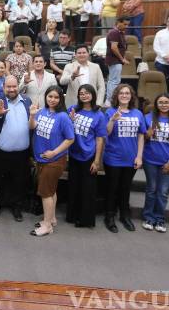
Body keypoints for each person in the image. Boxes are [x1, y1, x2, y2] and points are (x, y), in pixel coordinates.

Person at [29, 85, 75, 237]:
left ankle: (47, 225)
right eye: (50, 96)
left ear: (61, 99)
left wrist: (54, 152)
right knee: (51, 190)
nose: (53, 100)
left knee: (45, 193)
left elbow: (70, 139)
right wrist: (32, 115)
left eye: (56, 97)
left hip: (54, 160)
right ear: (46, 97)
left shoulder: (63, 116)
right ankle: (52, 218)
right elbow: (32, 127)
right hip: (41, 159)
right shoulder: (41, 112)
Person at [102, 84, 145, 233]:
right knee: (112, 188)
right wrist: (113, 120)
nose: (125, 95)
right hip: (113, 157)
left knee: (125, 188)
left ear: (131, 96)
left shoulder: (138, 113)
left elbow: (141, 136)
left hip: (131, 157)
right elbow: (106, 133)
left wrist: (139, 156)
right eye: (121, 93)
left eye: (127, 93)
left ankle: (125, 216)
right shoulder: (110, 111)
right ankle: (109, 216)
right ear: (117, 96)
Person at [0, 75, 31, 221]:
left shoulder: (27, 100)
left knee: (19, 181)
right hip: (1, 152)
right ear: (3, 87)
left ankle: (16, 207)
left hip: (22, 152)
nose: (12, 89)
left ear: (17, 86)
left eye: (14, 87)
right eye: (9, 87)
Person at [66, 84, 106, 228]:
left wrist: (96, 161)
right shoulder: (73, 110)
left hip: (88, 156)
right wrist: (70, 120)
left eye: (87, 93)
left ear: (93, 95)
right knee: (73, 186)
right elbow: (66, 130)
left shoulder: (99, 115)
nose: (84, 95)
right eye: (81, 93)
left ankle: (85, 220)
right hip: (73, 154)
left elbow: (100, 138)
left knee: (87, 190)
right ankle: (72, 215)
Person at [141, 94, 169, 233]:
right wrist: (147, 134)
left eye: (167, 102)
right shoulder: (147, 118)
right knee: (151, 189)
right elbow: (141, 139)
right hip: (150, 160)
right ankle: (148, 217)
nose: (164, 105)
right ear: (156, 104)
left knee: (163, 192)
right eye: (161, 102)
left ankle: (160, 219)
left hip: (168, 161)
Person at [104, 17, 129, 104]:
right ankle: (110, 100)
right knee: (114, 81)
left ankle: (110, 100)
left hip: (116, 60)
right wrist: (122, 59)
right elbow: (114, 48)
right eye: (125, 24)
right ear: (118, 22)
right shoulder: (114, 32)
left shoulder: (119, 32)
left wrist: (122, 58)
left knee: (114, 80)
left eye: (127, 24)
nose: (126, 26)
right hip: (114, 60)